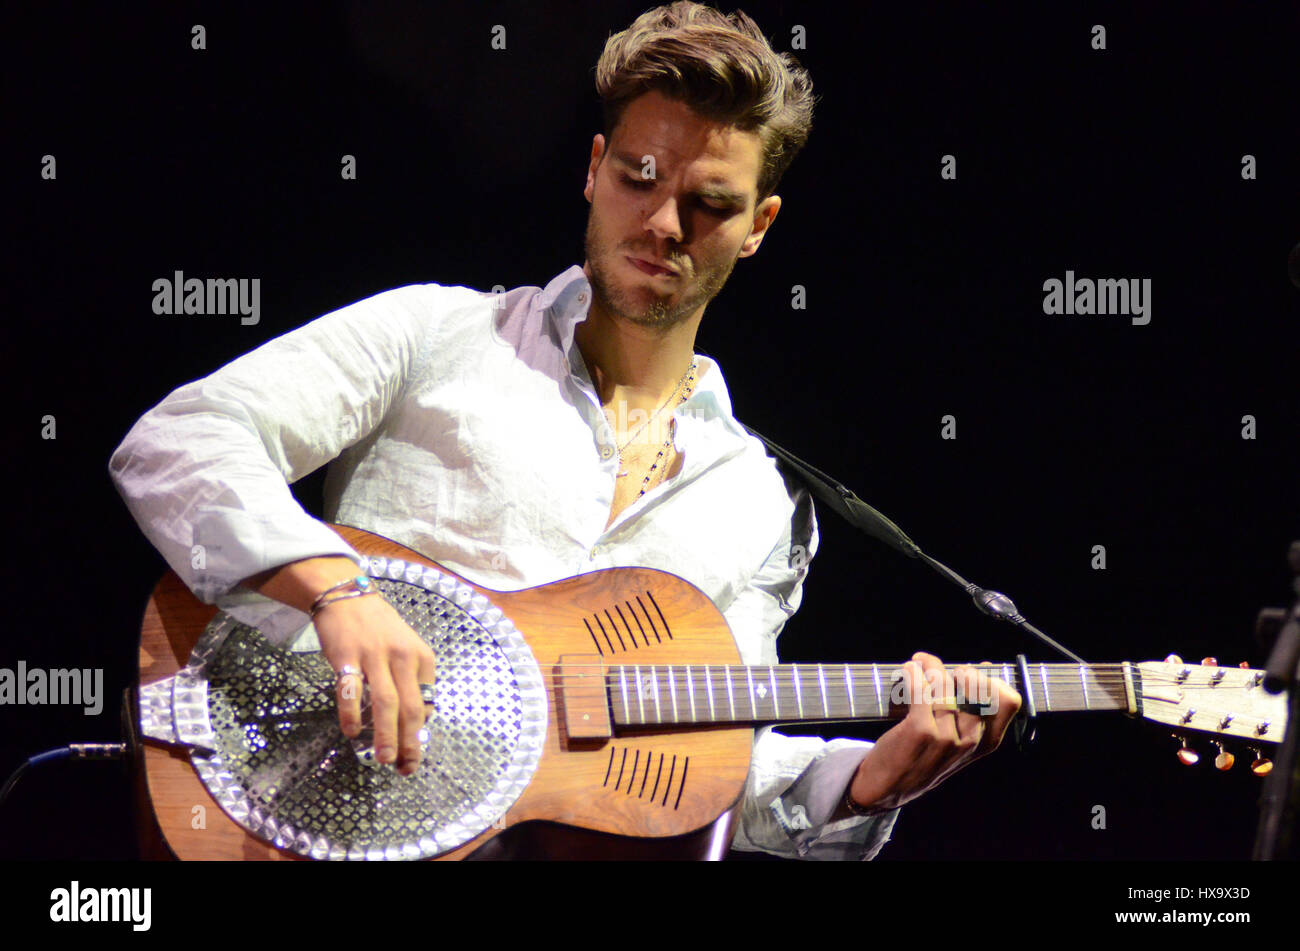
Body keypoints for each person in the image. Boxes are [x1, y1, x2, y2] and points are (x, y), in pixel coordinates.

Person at [110, 1, 1020, 860]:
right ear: (593, 169)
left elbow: (710, 763)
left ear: (758, 226)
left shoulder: (761, 502)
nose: (664, 222)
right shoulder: (435, 336)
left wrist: (864, 783)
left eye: (710, 202)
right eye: (638, 177)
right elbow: (182, 439)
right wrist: (334, 592)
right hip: (309, 818)